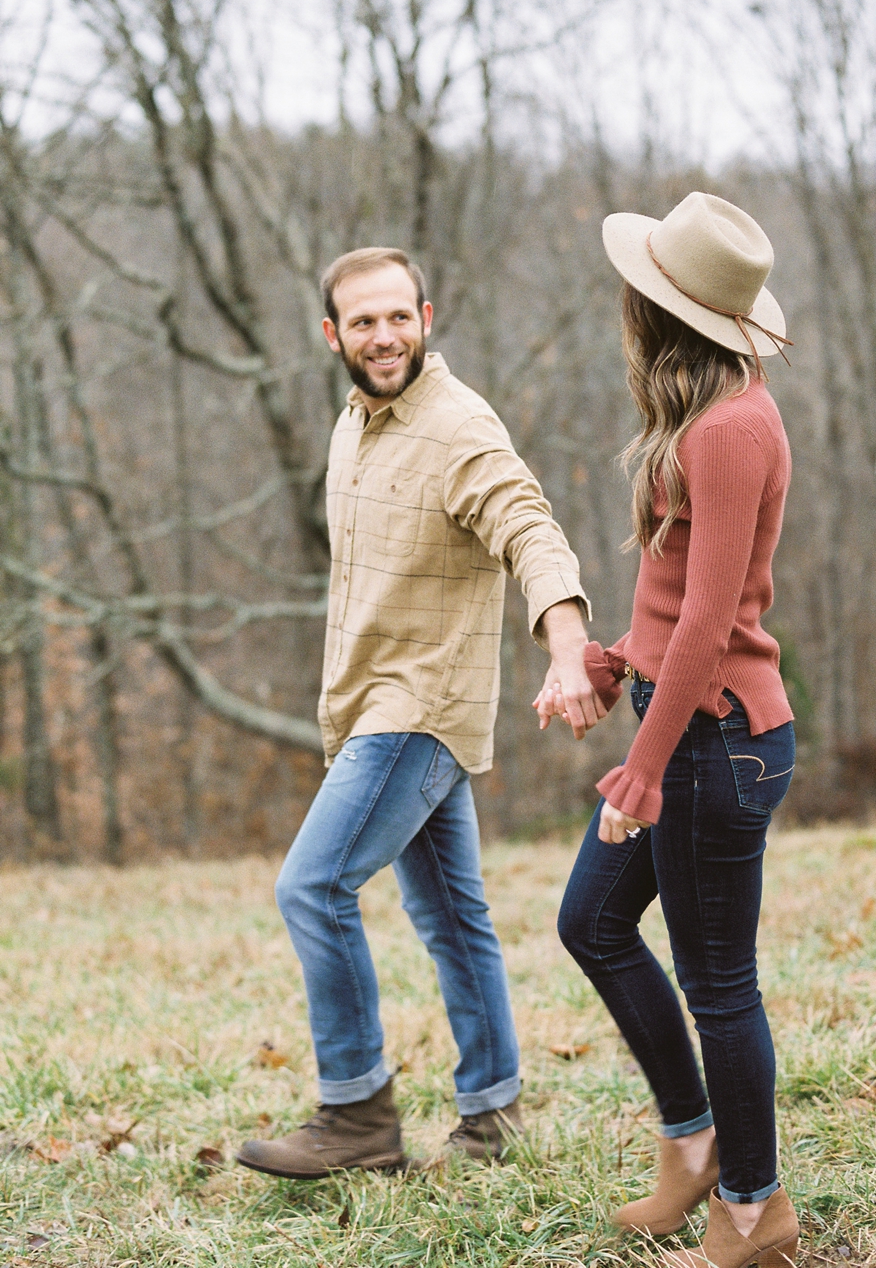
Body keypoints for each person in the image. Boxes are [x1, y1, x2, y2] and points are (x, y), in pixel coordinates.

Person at [238, 246, 602, 1180]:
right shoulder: (350, 428)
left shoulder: (457, 426)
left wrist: (566, 645)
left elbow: (530, 525)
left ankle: (356, 1114)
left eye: (398, 316)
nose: (383, 334)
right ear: (334, 335)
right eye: (363, 321)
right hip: (367, 706)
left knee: (311, 888)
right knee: (451, 914)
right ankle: (495, 1113)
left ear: (426, 317)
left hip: (419, 709)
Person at [544, 193, 800, 1267]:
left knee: (718, 983)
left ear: (664, 314)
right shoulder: (701, 422)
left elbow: (712, 618)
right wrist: (610, 666)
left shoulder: (734, 426)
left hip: (715, 743)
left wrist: (641, 770)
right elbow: (675, 604)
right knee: (591, 923)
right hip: (681, 723)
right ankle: (693, 1145)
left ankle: (754, 1208)